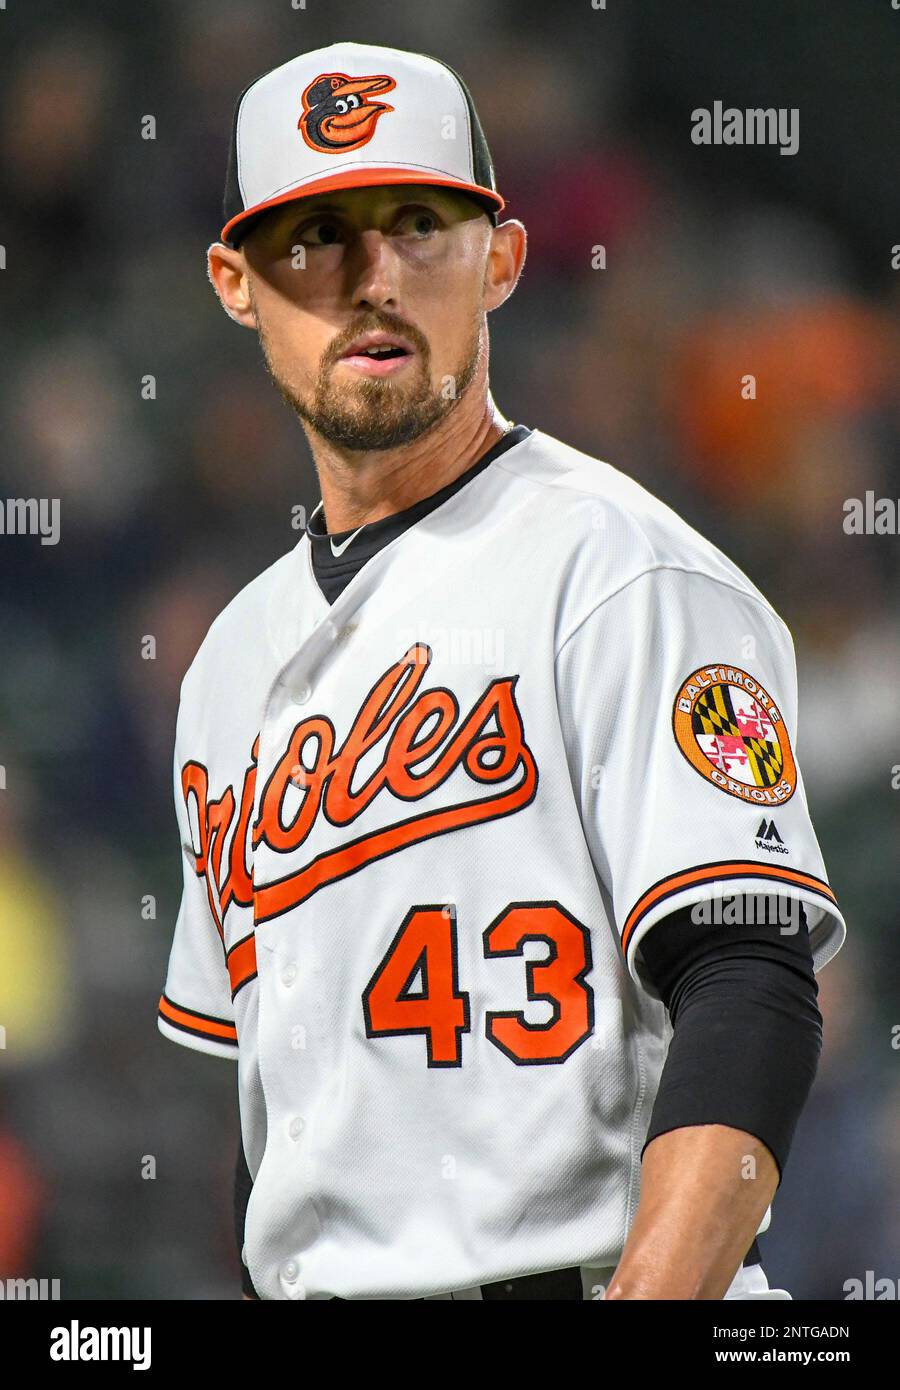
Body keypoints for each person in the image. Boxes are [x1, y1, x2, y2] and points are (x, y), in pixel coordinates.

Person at [158, 41, 845, 1301]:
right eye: (312, 238)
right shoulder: (225, 668)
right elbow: (271, 1121)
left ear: (506, 260)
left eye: (419, 225)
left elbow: (749, 985)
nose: (372, 282)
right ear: (234, 283)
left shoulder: (624, 571)